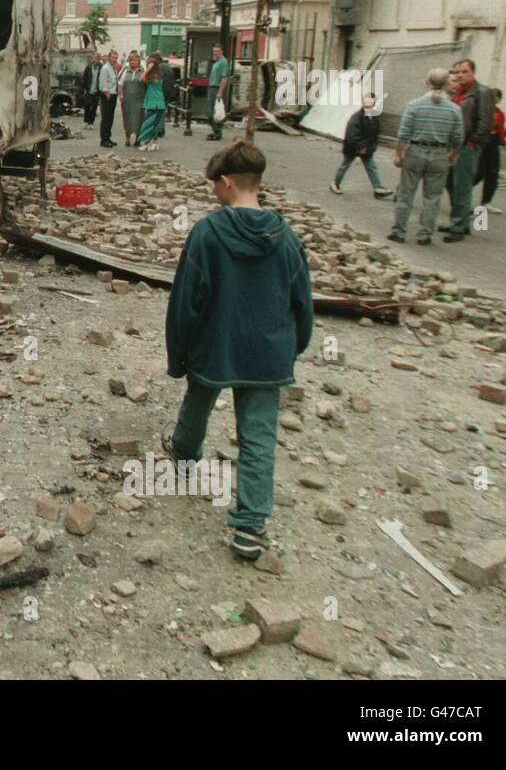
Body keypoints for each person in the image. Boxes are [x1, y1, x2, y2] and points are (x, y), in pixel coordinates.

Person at [163, 139, 313, 561]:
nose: (213, 192)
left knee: (199, 400)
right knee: (259, 436)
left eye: (214, 185)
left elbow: (184, 302)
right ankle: (250, 527)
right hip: (269, 355)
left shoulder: (207, 235)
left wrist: (179, 357)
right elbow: (302, 301)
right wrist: (294, 347)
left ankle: (184, 457)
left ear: (226, 182)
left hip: (215, 347)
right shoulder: (287, 240)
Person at [388, 68, 464, 245]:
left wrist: (399, 154)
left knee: (406, 194)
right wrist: (453, 155)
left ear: (427, 83)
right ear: (447, 85)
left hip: (415, 152)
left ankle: (399, 232)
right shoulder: (454, 109)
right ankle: (424, 234)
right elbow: (458, 137)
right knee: (433, 197)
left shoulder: (414, 105)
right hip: (439, 155)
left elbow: (403, 133)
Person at [440, 58, 495, 242]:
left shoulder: (482, 92)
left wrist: (472, 144)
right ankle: (460, 221)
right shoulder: (456, 92)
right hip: (452, 145)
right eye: (456, 72)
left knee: (462, 186)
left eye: (464, 72)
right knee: (450, 183)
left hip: (466, 147)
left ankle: (458, 227)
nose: (459, 75)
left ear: (473, 72)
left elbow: (485, 122)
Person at [330, 93, 394, 197]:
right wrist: (360, 147)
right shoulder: (356, 117)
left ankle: (377, 188)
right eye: (366, 101)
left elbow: (375, 134)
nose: (368, 103)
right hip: (353, 147)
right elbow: (351, 134)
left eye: (371, 101)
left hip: (366, 148)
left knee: (371, 167)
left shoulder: (374, 117)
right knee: (345, 165)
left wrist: (370, 147)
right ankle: (335, 183)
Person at [475, 88, 506, 215]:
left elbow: (501, 130)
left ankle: (485, 203)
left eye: (496, 97)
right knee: (478, 173)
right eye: (491, 97)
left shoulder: (500, 113)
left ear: (499, 100)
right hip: (481, 143)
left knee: (493, 173)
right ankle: (459, 197)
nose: (494, 100)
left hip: (493, 144)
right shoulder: (480, 111)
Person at [136, 54, 167, 151]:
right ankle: (155, 142)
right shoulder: (159, 74)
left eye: (149, 63)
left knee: (148, 123)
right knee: (155, 124)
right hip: (159, 102)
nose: (148, 65)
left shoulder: (154, 76)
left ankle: (147, 143)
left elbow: (142, 78)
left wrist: (147, 69)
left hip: (154, 102)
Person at [118, 51, 145, 146]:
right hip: (127, 99)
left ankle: (138, 138)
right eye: (132, 60)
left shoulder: (143, 72)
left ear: (139, 62)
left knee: (139, 118)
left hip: (139, 99)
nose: (134, 62)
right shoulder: (126, 71)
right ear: (129, 61)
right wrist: (121, 95)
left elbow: (147, 85)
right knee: (127, 118)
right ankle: (127, 138)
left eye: (136, 60)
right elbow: (120, 84)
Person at [206, 43, 230, 141]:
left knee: (210, 112)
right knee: (215, 111)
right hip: (212, 86)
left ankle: (217, 132)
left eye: (217, 51)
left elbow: (224, 78)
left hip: (216, 87)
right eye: (214, 51)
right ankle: (217, 131)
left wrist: (220, 91)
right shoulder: (216, 62)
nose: (215, 53)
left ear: (221, 51)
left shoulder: (223, 62)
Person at [98, 50, 119, 147]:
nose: (114, 59)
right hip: (107, 95)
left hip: (113, 94)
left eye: (115, 58)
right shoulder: (105, 68)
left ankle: (108, 138)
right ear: (109, 57)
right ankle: (104, 140)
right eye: (113, 57)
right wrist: (106, 93)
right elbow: (102, 82)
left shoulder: (113, 68)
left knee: (110, 118)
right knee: (106, 118)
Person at [80, 51, 102, 128]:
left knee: (94, 107)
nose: (95, 60)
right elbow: (84, 78)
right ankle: (86, 121)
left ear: (99, 59)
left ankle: (91, 122)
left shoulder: (101, 67)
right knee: (87, 106)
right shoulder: (88, 67)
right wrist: (83, 89)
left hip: (96, 91)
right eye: (94, 58)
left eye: (96, 58)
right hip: (88, 90)